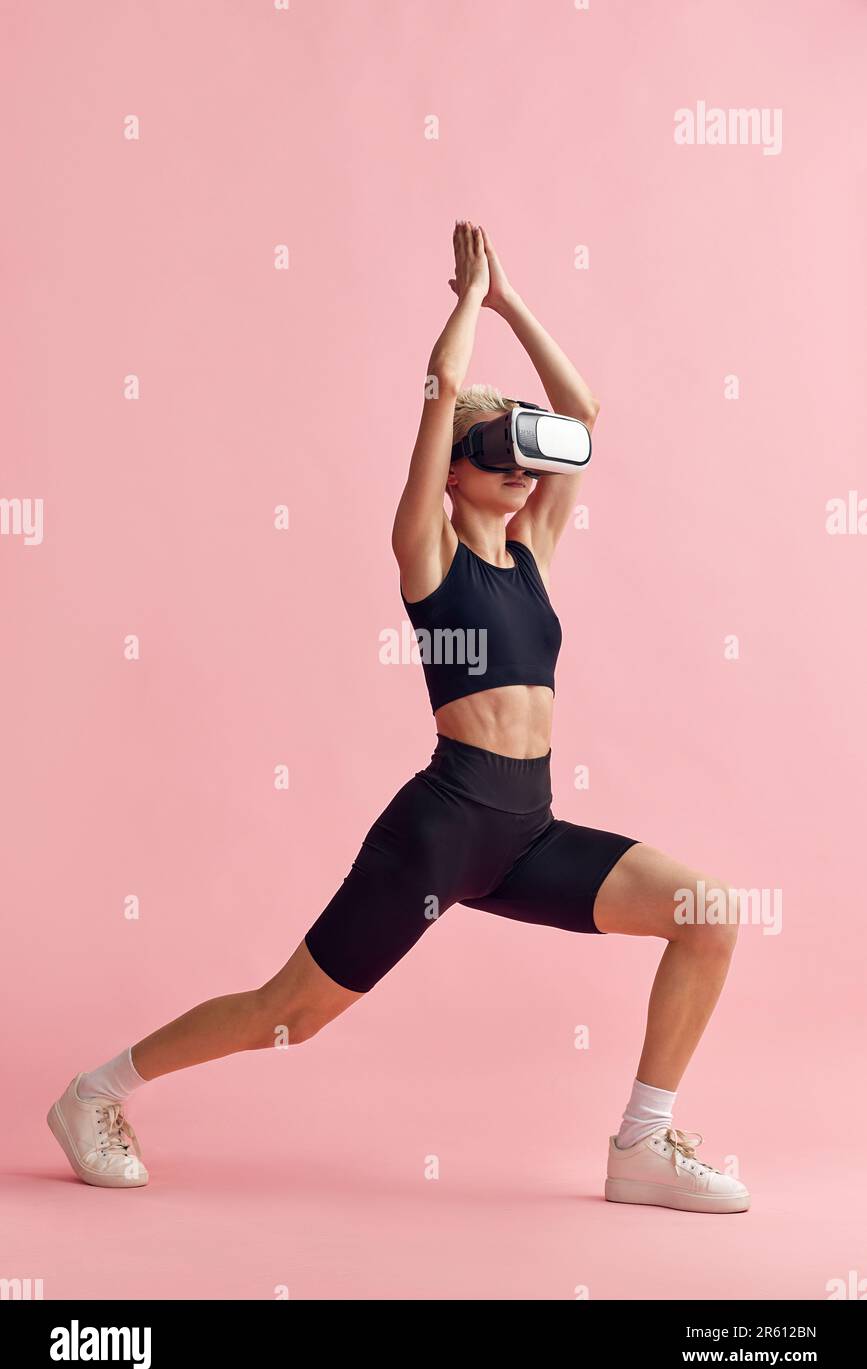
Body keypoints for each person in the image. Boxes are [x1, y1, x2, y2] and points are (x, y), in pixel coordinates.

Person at [47, 222, 749, 1214]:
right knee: (289, 1014)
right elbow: (440, 390)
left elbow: (584, 413)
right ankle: (93, 1093)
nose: (519, 467)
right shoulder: (428, 551)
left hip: (528, 833)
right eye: (493, 451)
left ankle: (641, 1144)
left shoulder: (534, 554)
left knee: (707, 912)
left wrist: (508, 301)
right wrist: (464, 305)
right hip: (441, 828)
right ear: (453, 472)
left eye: (523, 451)